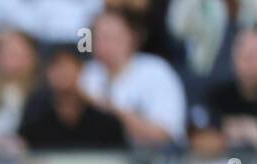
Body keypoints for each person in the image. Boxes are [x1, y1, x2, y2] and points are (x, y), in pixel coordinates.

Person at [78, 7, 187, 147]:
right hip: (98, 160)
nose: (102, 44)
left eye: (110, 37)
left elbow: (165, 135)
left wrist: (109, 111)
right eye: (97, 37)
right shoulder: (87, 75)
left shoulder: (156, 71)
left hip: (149, 160)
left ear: (133, 37)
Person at [191, 27, 257, 155]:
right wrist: (247, 130)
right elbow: (198, 139)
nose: (253, 65)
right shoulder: (218, 97)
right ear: (234, 58)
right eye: (247, 56)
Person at [17, 45, 127, 151]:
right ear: (48, 72)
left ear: (82, 70)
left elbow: (118, 156)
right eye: (57, 66)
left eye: (69, 66)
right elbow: (24, 148)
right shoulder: (35, 110)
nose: (63, 73)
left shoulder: (103, 116)